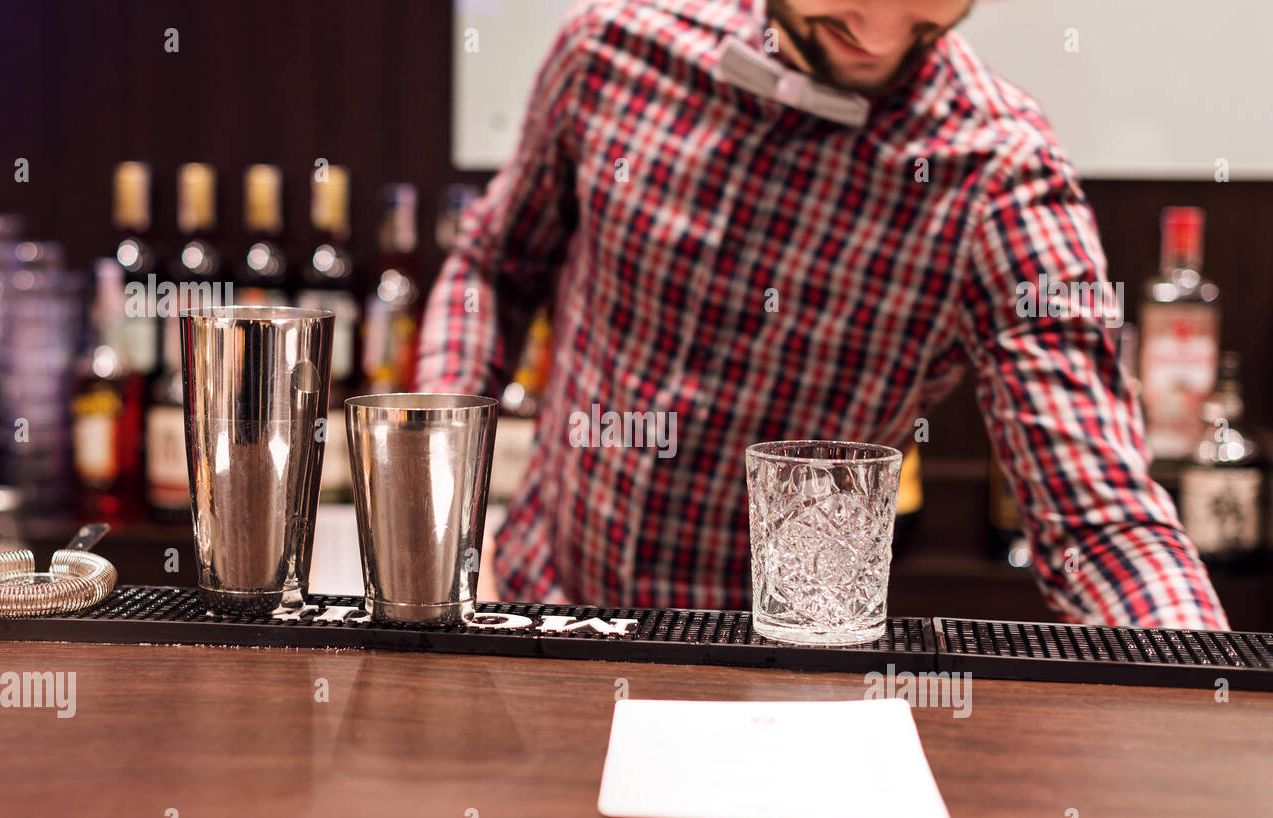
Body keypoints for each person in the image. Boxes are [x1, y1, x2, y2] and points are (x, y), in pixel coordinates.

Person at [416, 0, 1228, 630]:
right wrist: (443, 514)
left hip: (779, 676)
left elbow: (1100, 519)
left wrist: (1206, 701)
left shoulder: (999, 175)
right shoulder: (611, 48)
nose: (878, 35)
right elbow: (492, 267)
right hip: (543, 614)